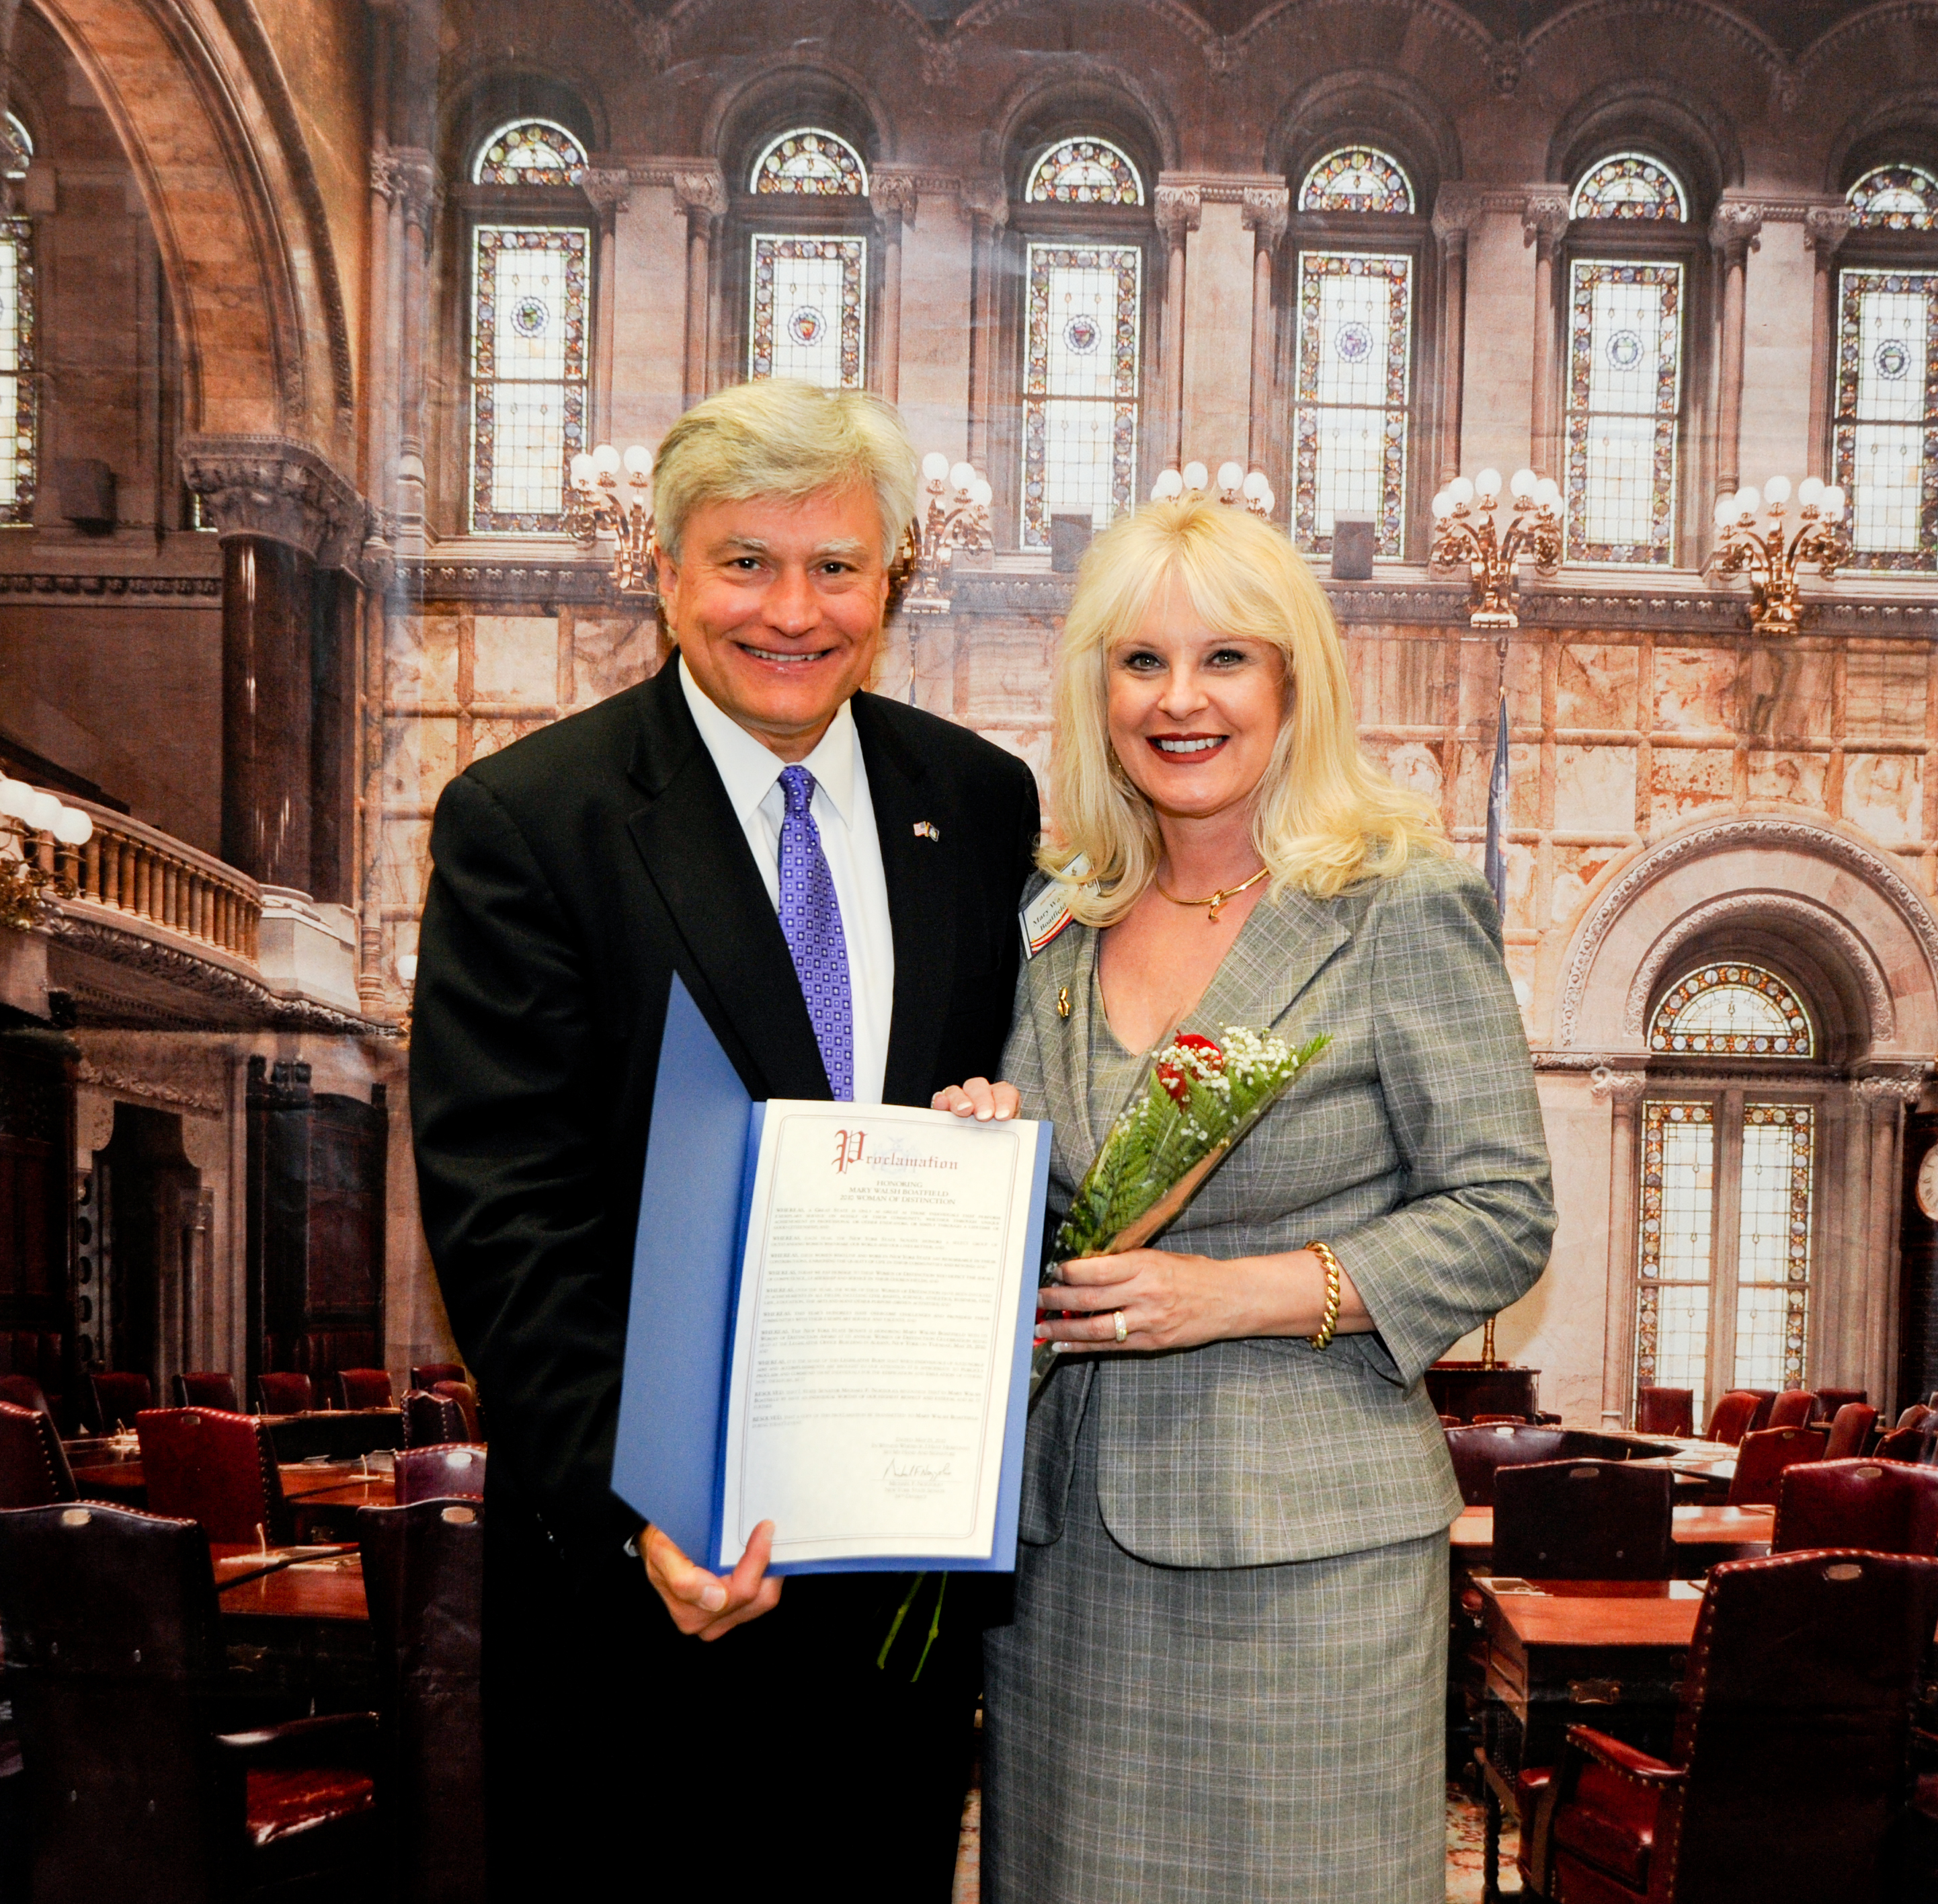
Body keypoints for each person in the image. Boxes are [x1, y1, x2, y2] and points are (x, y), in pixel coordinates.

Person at [409, 379, 1041, 1900]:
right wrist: (644, 1513)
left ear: (892, 579)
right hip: (644, 1602)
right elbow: (505, 1212)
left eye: (836, 566)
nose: (793, 611)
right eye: (745, 561)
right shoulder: (532, 819)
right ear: (666, 568)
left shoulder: (976, 801)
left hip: (893, 1607)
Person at [934, 496, 1558, 1902]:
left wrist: (1233, 1297)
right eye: (1140, 661)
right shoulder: (1052, 921)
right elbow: (1049, 1218)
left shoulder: (1395, 903)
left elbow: (1502, 1210)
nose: (1181, 699)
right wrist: (980, 1152)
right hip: (1065, 1563)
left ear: (1291, 682)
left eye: (1224, 658)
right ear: (1098, 691)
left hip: (1307, 1563)